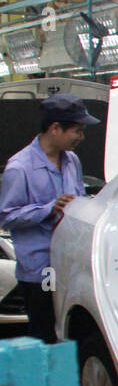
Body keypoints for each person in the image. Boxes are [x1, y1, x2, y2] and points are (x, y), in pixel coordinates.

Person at [0, 93, 96, 343]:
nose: (81, 137)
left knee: (72, 331)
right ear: (55, 128)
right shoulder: (19, 168)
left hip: (70, 264)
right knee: (45, 336)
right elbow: (7, 216)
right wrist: (47, 209)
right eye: (77, 130)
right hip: (40, 270)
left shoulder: (72, 161)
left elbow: (79, 196)